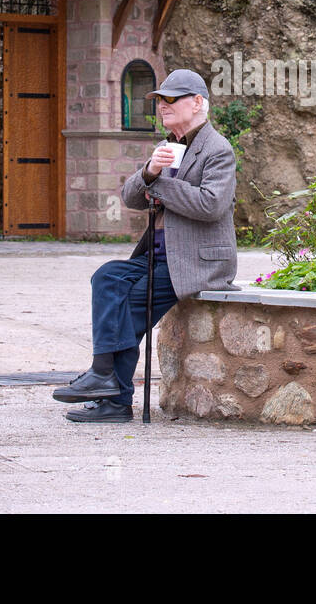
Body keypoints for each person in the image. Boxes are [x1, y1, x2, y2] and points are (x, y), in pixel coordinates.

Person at [52, 68, 240, 422]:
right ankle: (105, 379)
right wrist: (150, 172)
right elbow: (130, 197)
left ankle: (113, 397)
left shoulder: (218, 150)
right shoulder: (169, 146)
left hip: (196, 261)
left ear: (197, 102)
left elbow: (211, 204)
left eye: (171, 99)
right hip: (159, 256)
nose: (163, 106)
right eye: (160, 101)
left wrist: (161, 186)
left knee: (128, 307)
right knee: (107, 277)